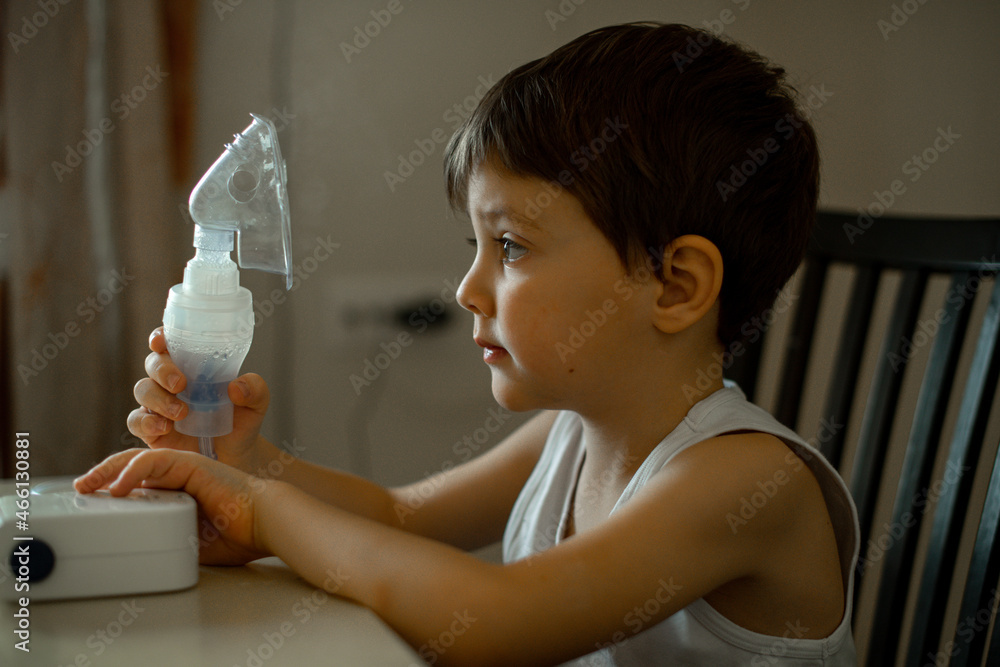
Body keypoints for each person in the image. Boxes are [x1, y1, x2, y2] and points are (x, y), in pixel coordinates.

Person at [75, 22, 859, 666]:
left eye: (511, 247)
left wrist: (268, 512)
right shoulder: (572, 433)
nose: (467, 289)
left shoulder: (747, 479)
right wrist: (246, 466)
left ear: (677, 284)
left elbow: (497, 618)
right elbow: (401, 515)